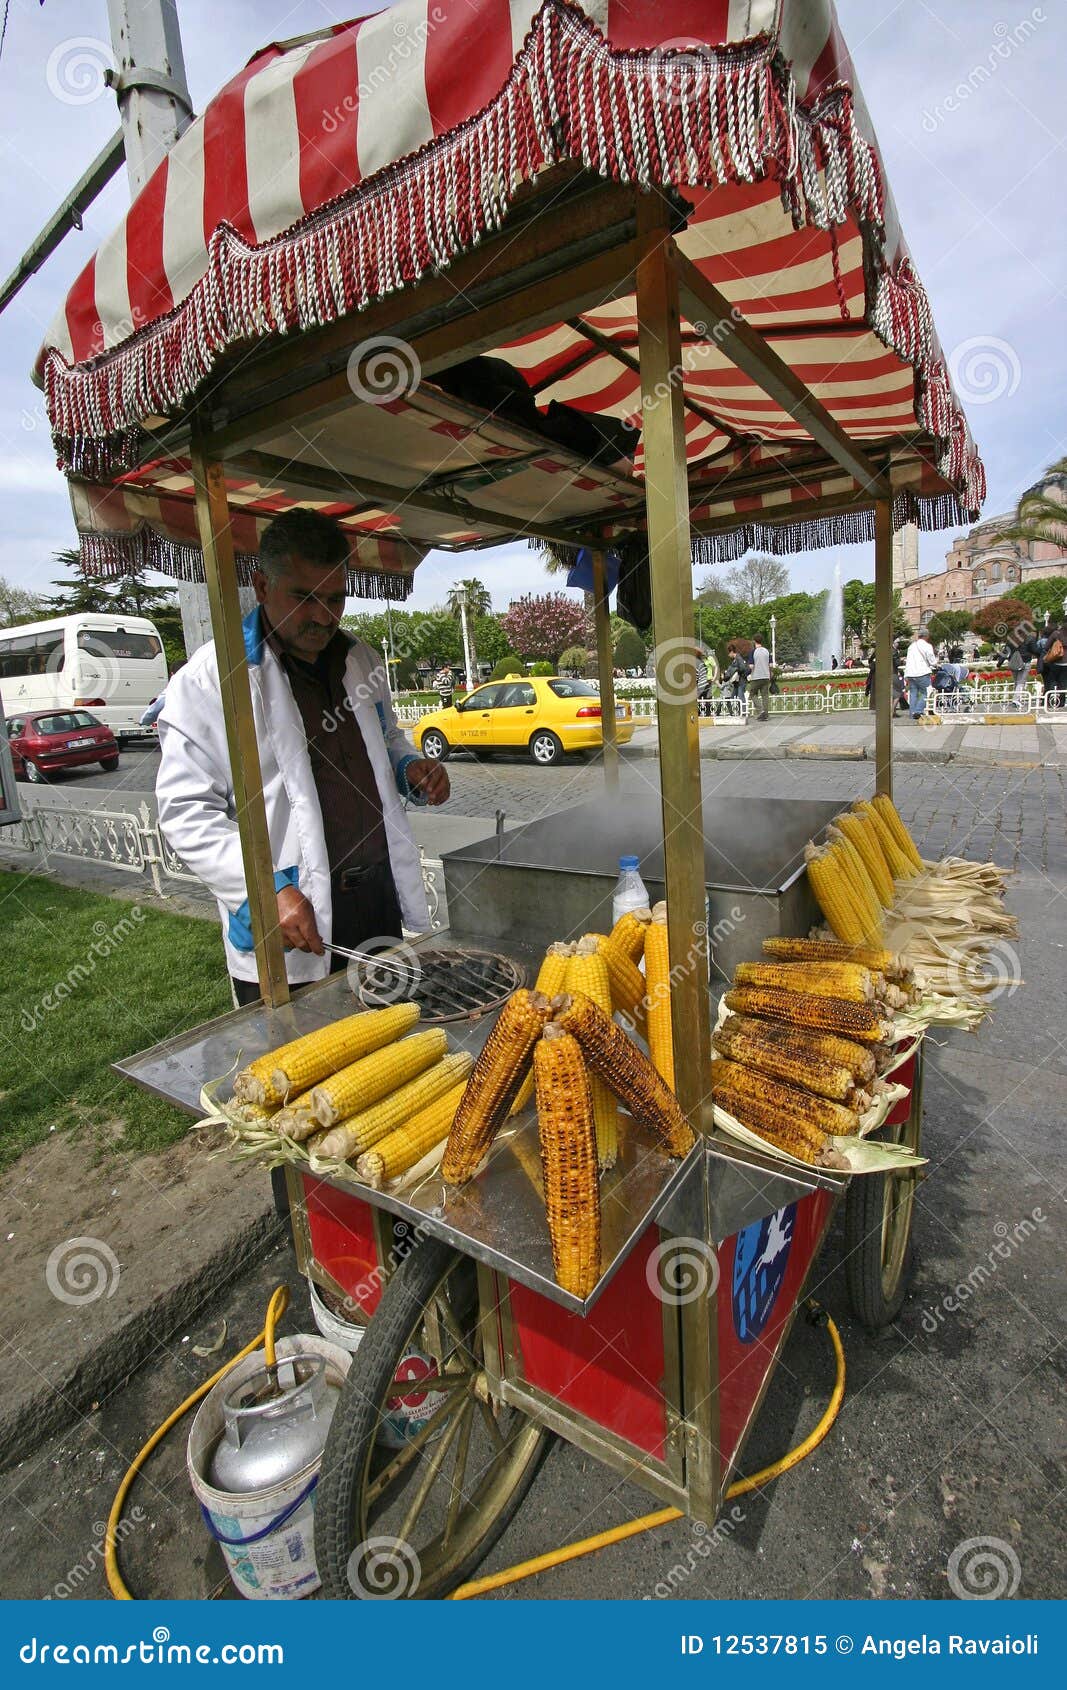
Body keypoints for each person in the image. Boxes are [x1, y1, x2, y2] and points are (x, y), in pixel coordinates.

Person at [157, 507, 449, 1007]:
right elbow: (185, 812)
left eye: (335, 599)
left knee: (391, 1052)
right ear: (261, 585)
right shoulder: (210, 681)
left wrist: (408, 767)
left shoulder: (361, 659)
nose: (322, 616)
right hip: (295, 922)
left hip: (377, 904)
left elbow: (387, 737)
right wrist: (265, 890)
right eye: (304, 597)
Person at [996, 627, 1037, 709]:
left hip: (1013, 662)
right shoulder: (1029, 639)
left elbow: (1005, 652)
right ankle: (1016, 700)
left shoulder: (1011, 640)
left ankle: (1016, 699)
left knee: (1016, 682)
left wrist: (999, 663)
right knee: (1021, 682)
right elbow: (1034, 650)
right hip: (1024, 662)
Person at [902, 626, 936, 720]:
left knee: (913, 693)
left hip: (911, 673)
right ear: (927, 636)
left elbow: (908, 661)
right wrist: (935, 664)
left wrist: (906, 674)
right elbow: (932, 660)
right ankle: (918, 711)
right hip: (922, 673)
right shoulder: (927, 646)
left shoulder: (911, 646)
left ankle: (912, 713)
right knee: (927, 692)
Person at [748, 635, 772, 722]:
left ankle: (761, 710)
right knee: (765, 695)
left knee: (752, 694)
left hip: (756, 676)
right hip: (766, 676)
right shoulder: (766, 651)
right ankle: (766, 714)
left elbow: (751, 666)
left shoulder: (753, 652)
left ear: (754, 641)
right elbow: (771, 665)